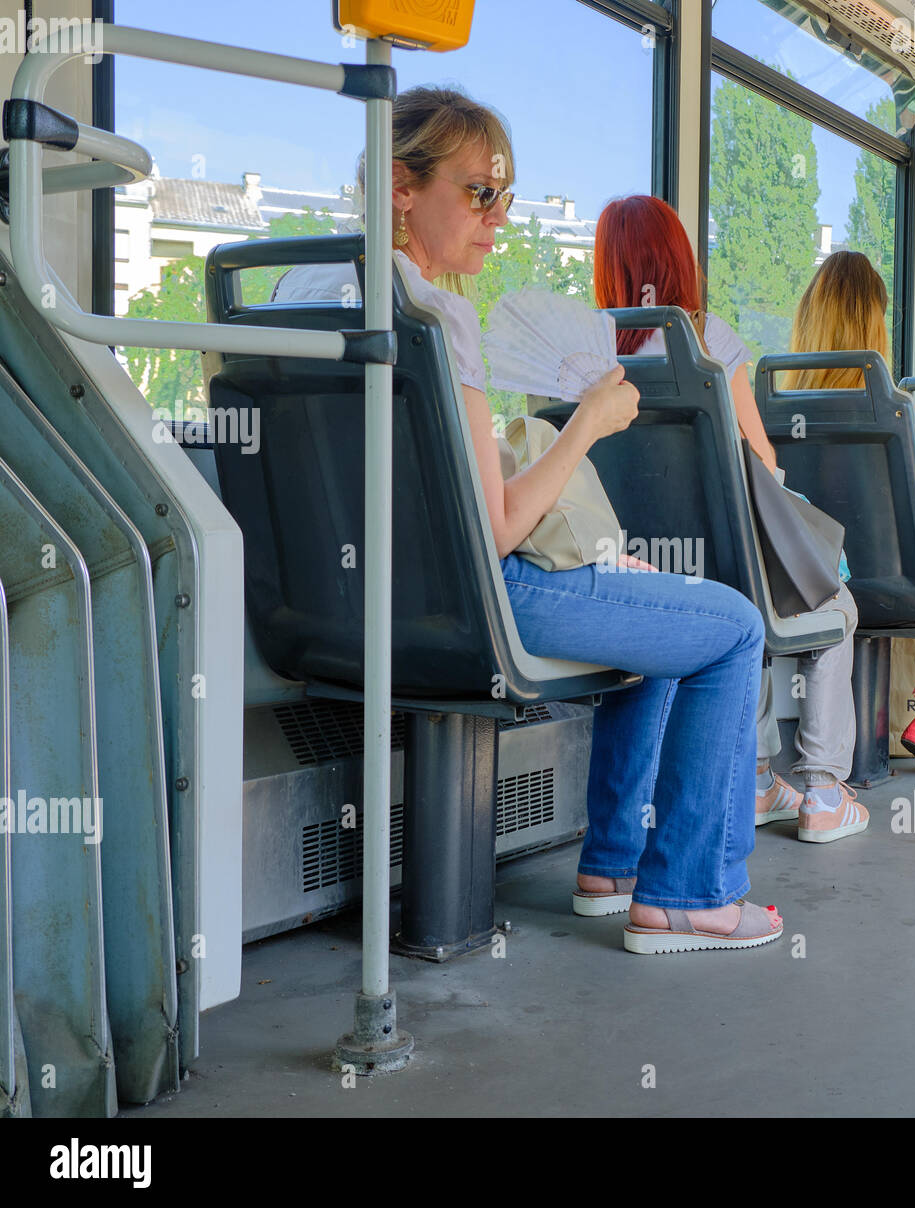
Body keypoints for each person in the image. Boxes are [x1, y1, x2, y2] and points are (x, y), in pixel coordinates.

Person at [280, 88, 783, 952]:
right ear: (403, 187)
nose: (499, 219)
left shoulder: (295, 289)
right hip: (476, 601)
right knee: (731, 628)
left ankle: (617, 866)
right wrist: (586, 421)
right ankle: (690, 895)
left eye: (505, 199)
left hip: (331, 607)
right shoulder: (438, 317)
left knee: (664, 617)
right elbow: (500, 527)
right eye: (481, 194)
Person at [593, 195, 866, 841]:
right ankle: (824, 793)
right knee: (834, 610)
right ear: (678, 261)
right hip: (722, 562)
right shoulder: (707, 340)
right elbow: (761, 463)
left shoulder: (580, 345)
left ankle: (756, 781)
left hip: (634, 567)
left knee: (751, 609)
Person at [789, 251, 915, 775]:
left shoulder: (776, 406)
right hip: (890, 581)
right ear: (874, 323)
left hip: (804, 578)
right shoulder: (897, 412)